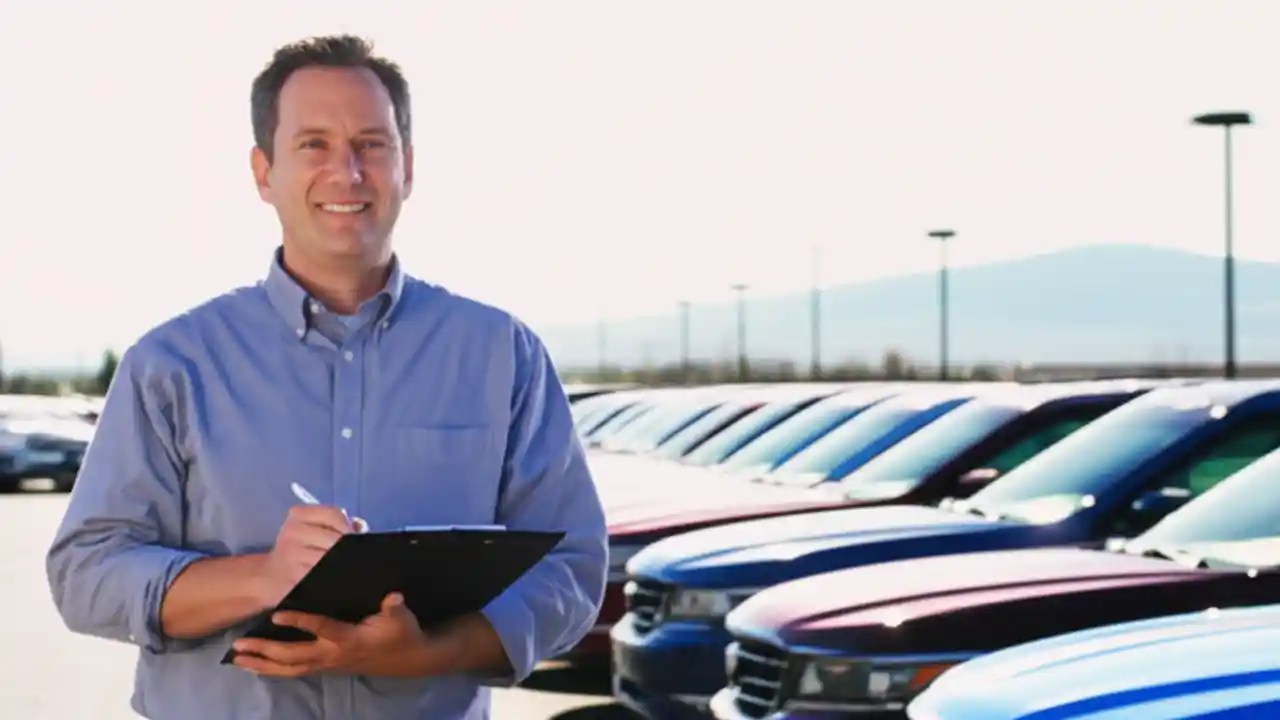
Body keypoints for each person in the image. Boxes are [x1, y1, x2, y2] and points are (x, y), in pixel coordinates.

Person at [45, 34, 607, 719]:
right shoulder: (173, 364)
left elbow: (573, 570)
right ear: (263, 171)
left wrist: (431, 651)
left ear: (407, 168)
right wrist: (263, 576)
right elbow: (86, 573)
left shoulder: (501, 355)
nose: (347, 172)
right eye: (313, 144)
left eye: (372, 144)